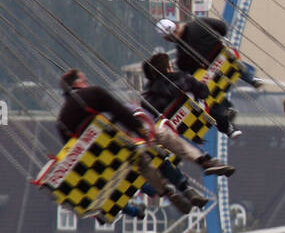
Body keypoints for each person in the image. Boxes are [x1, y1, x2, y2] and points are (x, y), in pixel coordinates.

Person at [55, 70, 205, 216]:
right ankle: (184, 187)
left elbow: (71, 148)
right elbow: (118, 111)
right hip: (121, 147)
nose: (87, 83)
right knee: (151, 155)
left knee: (139, 165)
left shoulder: (62, 120)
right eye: (84, 81)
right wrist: (139, 129)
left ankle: (167, 193)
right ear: (78, 83)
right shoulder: (93, 94)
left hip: (101, 164)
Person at [156, 16, 260, 139]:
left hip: (212, 81)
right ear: (176, 24)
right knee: (228, 57)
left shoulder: (181, 54)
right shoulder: (200, 24)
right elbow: (222, 27)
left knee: (204, 94)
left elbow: (186, 70)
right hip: (227, 66)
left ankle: (227, 125)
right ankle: (250, 77)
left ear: (167, 39)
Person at [139, 54, 235, 177]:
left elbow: (150, 118)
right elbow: (203, 92)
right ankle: (227, 127)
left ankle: (204, 160)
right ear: (168, 67)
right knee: (205, 106)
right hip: (195, 117)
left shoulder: (147, 97)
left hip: (175, 132)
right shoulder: (181, 78)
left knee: (176, 137)